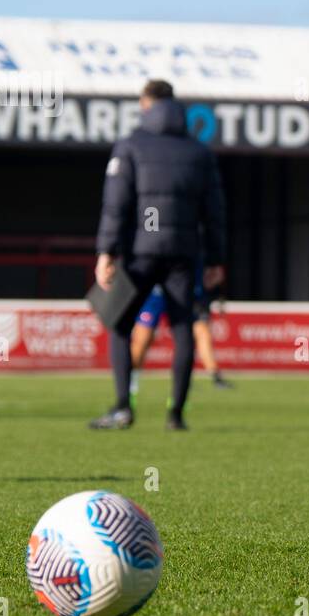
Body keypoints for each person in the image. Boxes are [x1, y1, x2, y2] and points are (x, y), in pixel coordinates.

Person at [89, 79, 226, 432]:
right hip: (183, 253)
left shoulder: (131, 146)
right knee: (183, 328)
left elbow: (115, 204)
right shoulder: (199, 152)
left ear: (145, 103)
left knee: (120, 324)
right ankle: (176, 414)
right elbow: (214, 211)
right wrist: (215, 258)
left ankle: (123, 407)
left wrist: (107, 250)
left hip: (141, 251)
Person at [129, 261, 233, 399]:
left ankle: (212, 377)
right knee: (143, 337)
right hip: (155, 289)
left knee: (199, 332)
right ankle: (131, 379)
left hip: (184, 284)